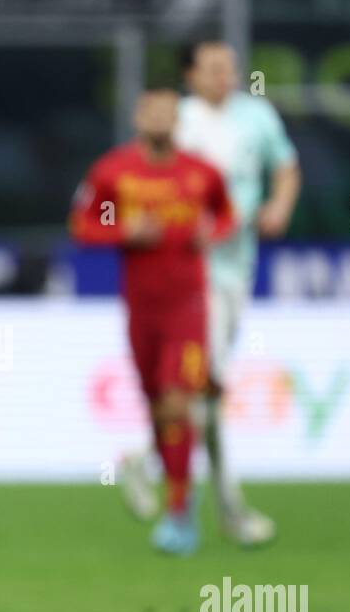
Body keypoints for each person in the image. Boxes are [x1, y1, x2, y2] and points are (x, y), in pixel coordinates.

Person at [118, 39, 300, 548]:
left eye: (231, 67)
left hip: (237, 269)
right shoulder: (183, 121)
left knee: (209, 397)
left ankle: (216, 504)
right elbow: (144, 177)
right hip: (190, 275)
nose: (225, 75)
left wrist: (279, 206)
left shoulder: (257, 116)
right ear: (191, 74)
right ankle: (151, 462)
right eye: (214, 68)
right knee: (202, 387)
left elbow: (285, 166)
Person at [70, 90, 234, 555]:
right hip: (141, 309)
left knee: (177, 402)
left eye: (168, 111)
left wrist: (213, 233)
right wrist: (124, 231)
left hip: (188, 307)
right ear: (138, 117)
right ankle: (180, 492)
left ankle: (179, 512)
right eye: (151, 110)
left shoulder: (201, 173)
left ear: (176, 119)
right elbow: (82, 225)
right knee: (157, 409)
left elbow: (226, 215)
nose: (160, 118)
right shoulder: (112, 171)